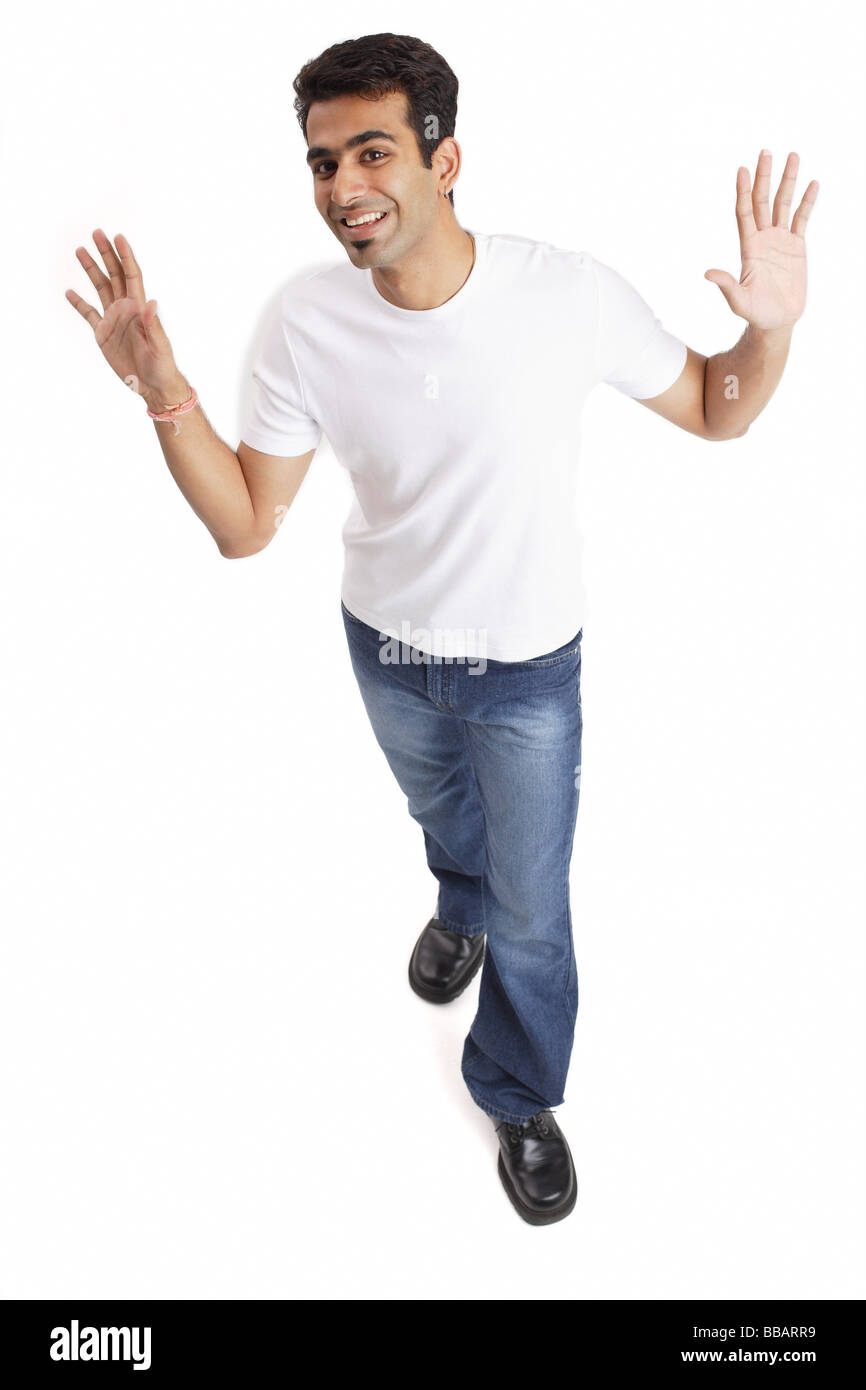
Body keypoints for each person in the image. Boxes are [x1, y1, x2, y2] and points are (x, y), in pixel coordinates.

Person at [65, 33, 817, 1226]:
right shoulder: (303, 320)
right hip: (387, 651)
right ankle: (451, 903)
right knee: (441, 819)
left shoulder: (562, 292)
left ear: (443, 157)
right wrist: (163, 387)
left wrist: (768, 333)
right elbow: (249, 524)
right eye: (320, 162)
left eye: (371, 152)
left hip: (525, 671)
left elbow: (717, 414)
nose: (343, 187)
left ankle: (514, 1086)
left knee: (533, 901)